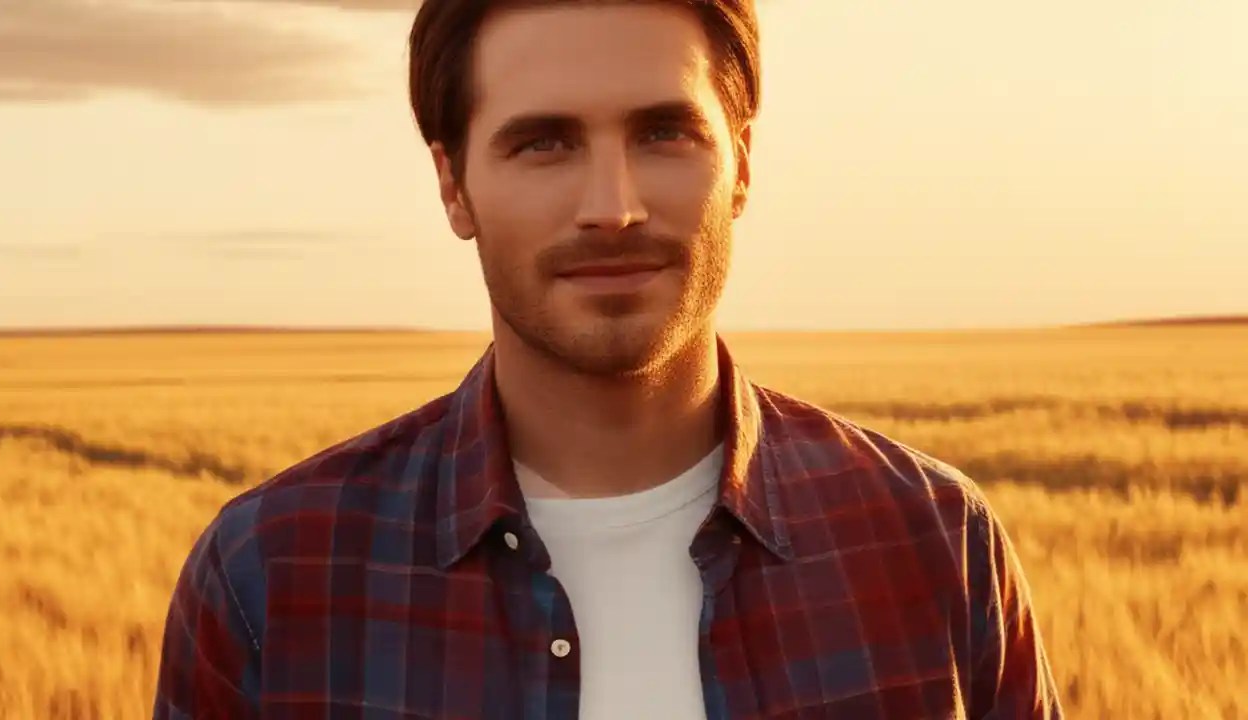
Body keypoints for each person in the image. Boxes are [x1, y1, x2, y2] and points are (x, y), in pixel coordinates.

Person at [152, 0, 1062, 717]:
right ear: (452, 185)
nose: (612, 206)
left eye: (664, 133)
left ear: (740, 164)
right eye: (544, 143)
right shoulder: (273, 576)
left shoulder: (932, 541)